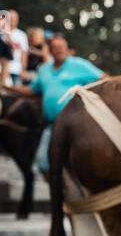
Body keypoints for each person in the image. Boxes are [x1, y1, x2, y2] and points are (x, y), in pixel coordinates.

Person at [8, 34, 103, 175]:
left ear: (67, 48)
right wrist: (8, 88)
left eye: (61, 47)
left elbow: (103, 79)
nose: (59, 51)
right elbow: (33, 90)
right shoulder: (44, 70)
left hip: (77, 125)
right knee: (43, 164)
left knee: (78, 161)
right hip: (52, 125)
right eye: (55, 48)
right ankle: (65, 190)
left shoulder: (79, 65)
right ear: (50, 51)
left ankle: (75, 191)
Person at [0, 9, 28, 82]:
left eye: (14, 19)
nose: (12, 21)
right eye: (10, 19)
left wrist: (23, 70)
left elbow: (24, 53)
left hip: (15, 69)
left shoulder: (21, 35)